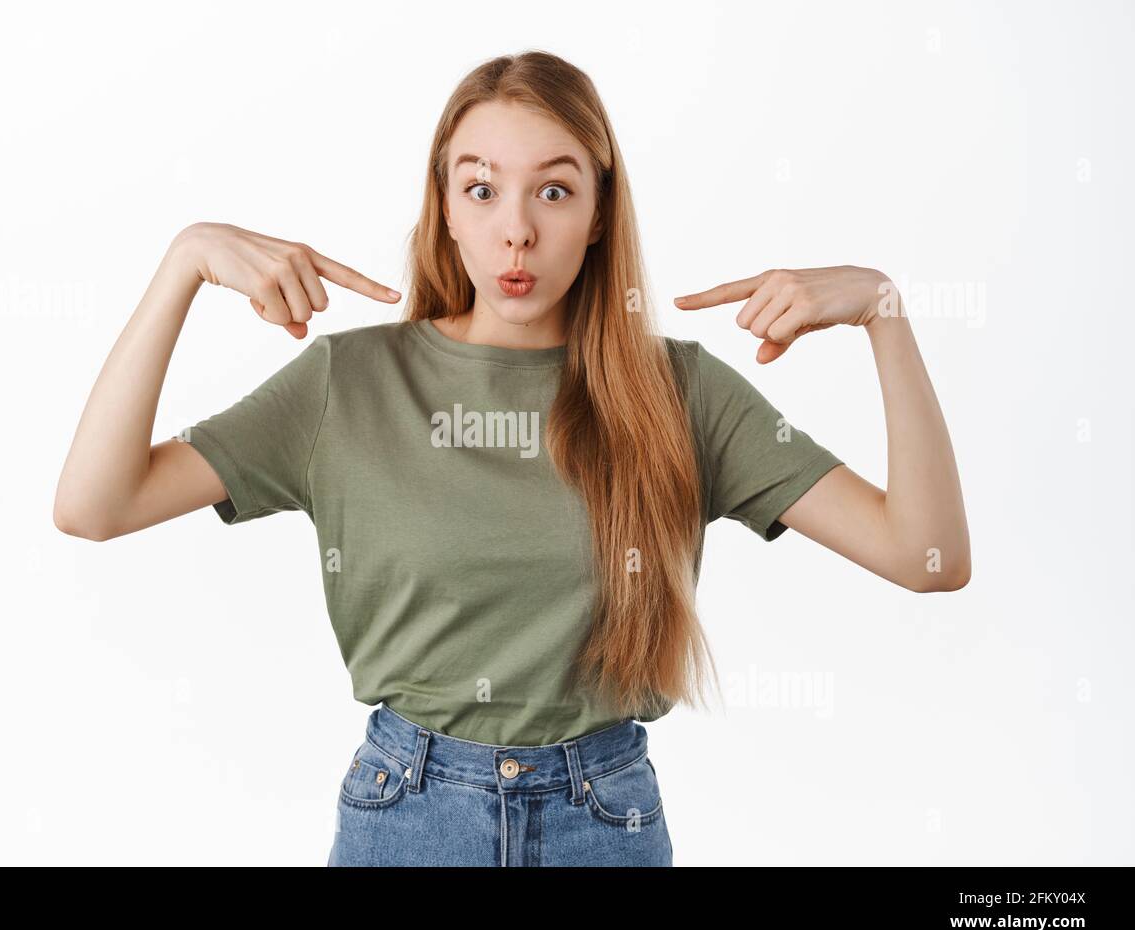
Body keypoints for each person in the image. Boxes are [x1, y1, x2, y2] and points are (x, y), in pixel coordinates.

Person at [53, 50, 971, 867]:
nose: (518, 231)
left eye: (556, 189)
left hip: (603, 818)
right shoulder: (350, 381)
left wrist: (884, 314)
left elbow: (925, 555)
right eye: (482, 189)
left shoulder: (678, 392)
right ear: (445, 209)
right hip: (405, 815)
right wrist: (182, 264)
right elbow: (94, 505)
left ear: (600, 213)